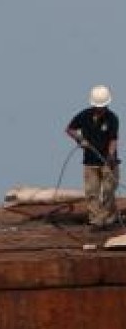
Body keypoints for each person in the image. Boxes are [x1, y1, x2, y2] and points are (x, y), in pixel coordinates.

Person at [66, 84, 120, 230]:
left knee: (108, 191)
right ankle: (96, 221)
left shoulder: (112, 118)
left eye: (102, 106)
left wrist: (110, 157)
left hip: (108, 162)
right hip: (90, 162)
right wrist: (79, 139)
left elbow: (113, 139)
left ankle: (109, 219)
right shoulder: (84, 115)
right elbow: (69, 129)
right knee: (92, 192)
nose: (100, 109)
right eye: (98, 106)